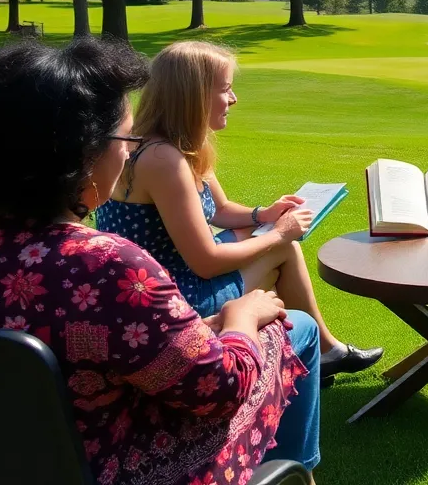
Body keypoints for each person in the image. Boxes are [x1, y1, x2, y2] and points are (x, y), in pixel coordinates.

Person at [0, 38, 313, 485]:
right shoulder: (107, 269)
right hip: (119, 468)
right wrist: (241, 318)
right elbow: (219, 389)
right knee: (295, 326)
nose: (129, 149)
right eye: (125, 137)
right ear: (83, 155)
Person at [97, 40, 382, 383]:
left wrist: (263, 214)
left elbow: (220, 210)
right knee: (282, 247)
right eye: (226, 89)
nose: (234, 99)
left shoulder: (177, 145)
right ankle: (320, 351)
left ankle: (321, 351)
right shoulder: (164, 160)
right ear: (194, 95)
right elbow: (206, 261)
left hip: (166, 283)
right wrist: (279, 233)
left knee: (272, 241)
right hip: (169, 302)